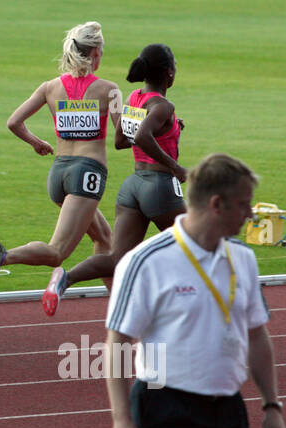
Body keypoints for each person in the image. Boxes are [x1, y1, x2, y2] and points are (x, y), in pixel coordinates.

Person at [104, 153, 285, 428]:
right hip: (166, 410)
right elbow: (118, 342)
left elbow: (257, 334)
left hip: (228, 412)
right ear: (216, 204)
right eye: (243, 204)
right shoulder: (147, 260)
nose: (250, 214)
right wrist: (122, 420)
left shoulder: (243, 259)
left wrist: (271, 404)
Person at [0, 21, 118, 302]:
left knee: (104, 239)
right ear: (96, 52)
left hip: (59, 175)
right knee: (57, 253)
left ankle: (117, 306)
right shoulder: (109, 90)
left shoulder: (50, 88)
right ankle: (4, 257)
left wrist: (37, 143)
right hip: (86, 175)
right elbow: (124, 135)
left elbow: (14, 122)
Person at [41, 44, 186, 316]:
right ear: (169, 74)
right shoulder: (164, 105)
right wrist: (175, 166)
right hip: (160, 186)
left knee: (116, 258)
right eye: (175, 67)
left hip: (133, 188)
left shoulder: (134, 97)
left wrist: (170, 128)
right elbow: (143, 136)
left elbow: (121, 140)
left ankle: (65, 279)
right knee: (196, 242)